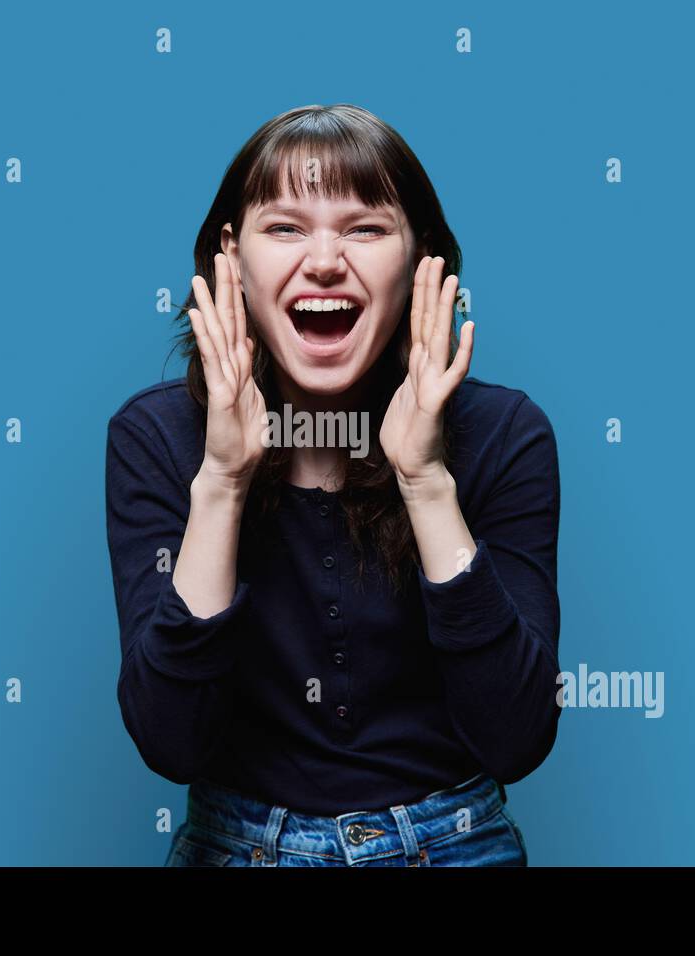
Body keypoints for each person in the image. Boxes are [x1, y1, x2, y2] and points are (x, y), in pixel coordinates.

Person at [105, 104, 561, 866]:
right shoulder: (156, 440)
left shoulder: (506, 435)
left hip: (454, 844)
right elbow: (170, 742)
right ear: (231, 260)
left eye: (365, 228)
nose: (323, 262)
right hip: (237, 848)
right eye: (285, 228)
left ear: (424, 264)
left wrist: (426, 481)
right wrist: (220, 482)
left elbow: (517, 739)